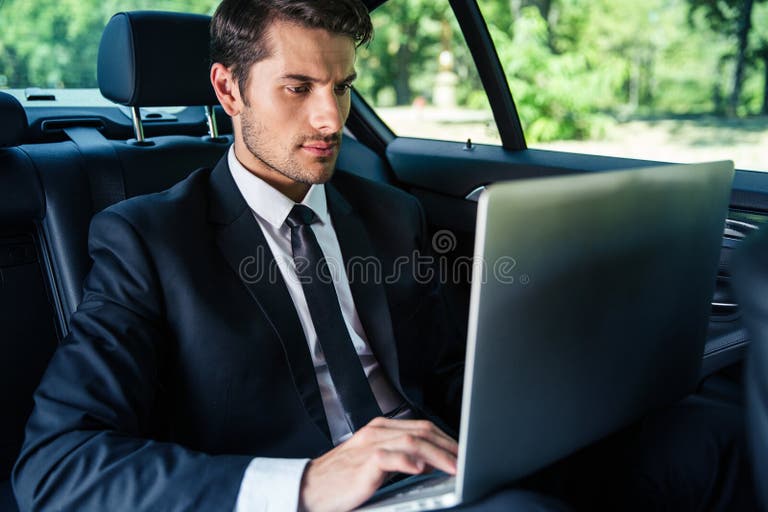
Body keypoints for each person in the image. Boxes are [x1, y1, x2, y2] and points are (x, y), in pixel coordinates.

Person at [11, 1, 754, 511]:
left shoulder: (389, 216)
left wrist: (563, 391)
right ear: (227, 88)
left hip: (442, 461)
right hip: (311, 492)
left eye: (341, 86)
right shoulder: (146, 240)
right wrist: (307, 482)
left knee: (712, 439)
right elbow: (53, 469)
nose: (330, 119)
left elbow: (447, 374)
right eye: (297, 88)